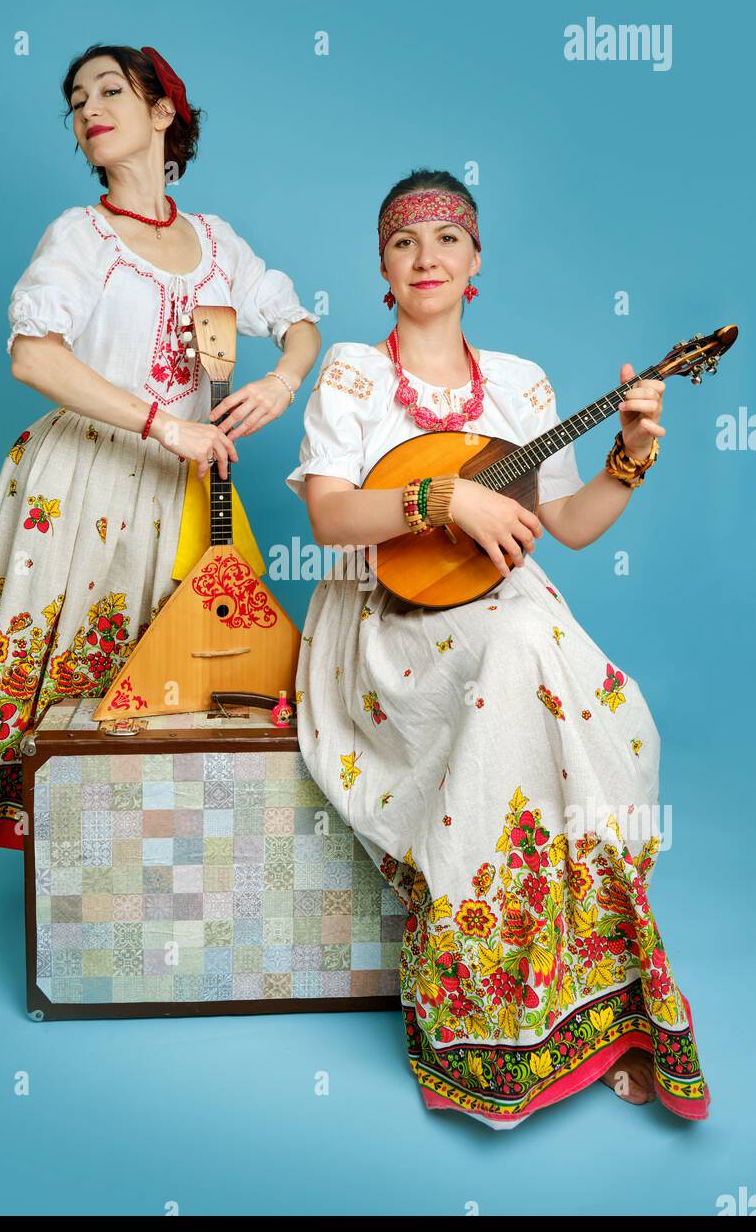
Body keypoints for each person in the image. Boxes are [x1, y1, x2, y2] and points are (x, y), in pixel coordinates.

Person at [285, 168, 710, 1130]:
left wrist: (630, 456)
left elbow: (569, 522)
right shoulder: (353, 367)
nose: (426, 256)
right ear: (382, 268)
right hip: (386, 621)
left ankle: (593, 1007)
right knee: (523, 653)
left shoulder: (521, 384)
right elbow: (329, 519)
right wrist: (442, 498)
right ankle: (487, 1016)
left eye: (447, 239)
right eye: (404, 242)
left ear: (475, 262)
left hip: (510, 611)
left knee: (599, 710)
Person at [0, 43, 320, 857]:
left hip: (179, 491)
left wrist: (281, 383)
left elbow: (298, 324)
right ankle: (58, 871)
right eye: (77, 99)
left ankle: (147, 877)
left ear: (163, 113)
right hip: (81, 480)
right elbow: (33, 355)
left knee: (163, 680)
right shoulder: (81, 237)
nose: (89, 108)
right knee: (67, 680)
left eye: (110, 90)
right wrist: (164, 423)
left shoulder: (218, 242)